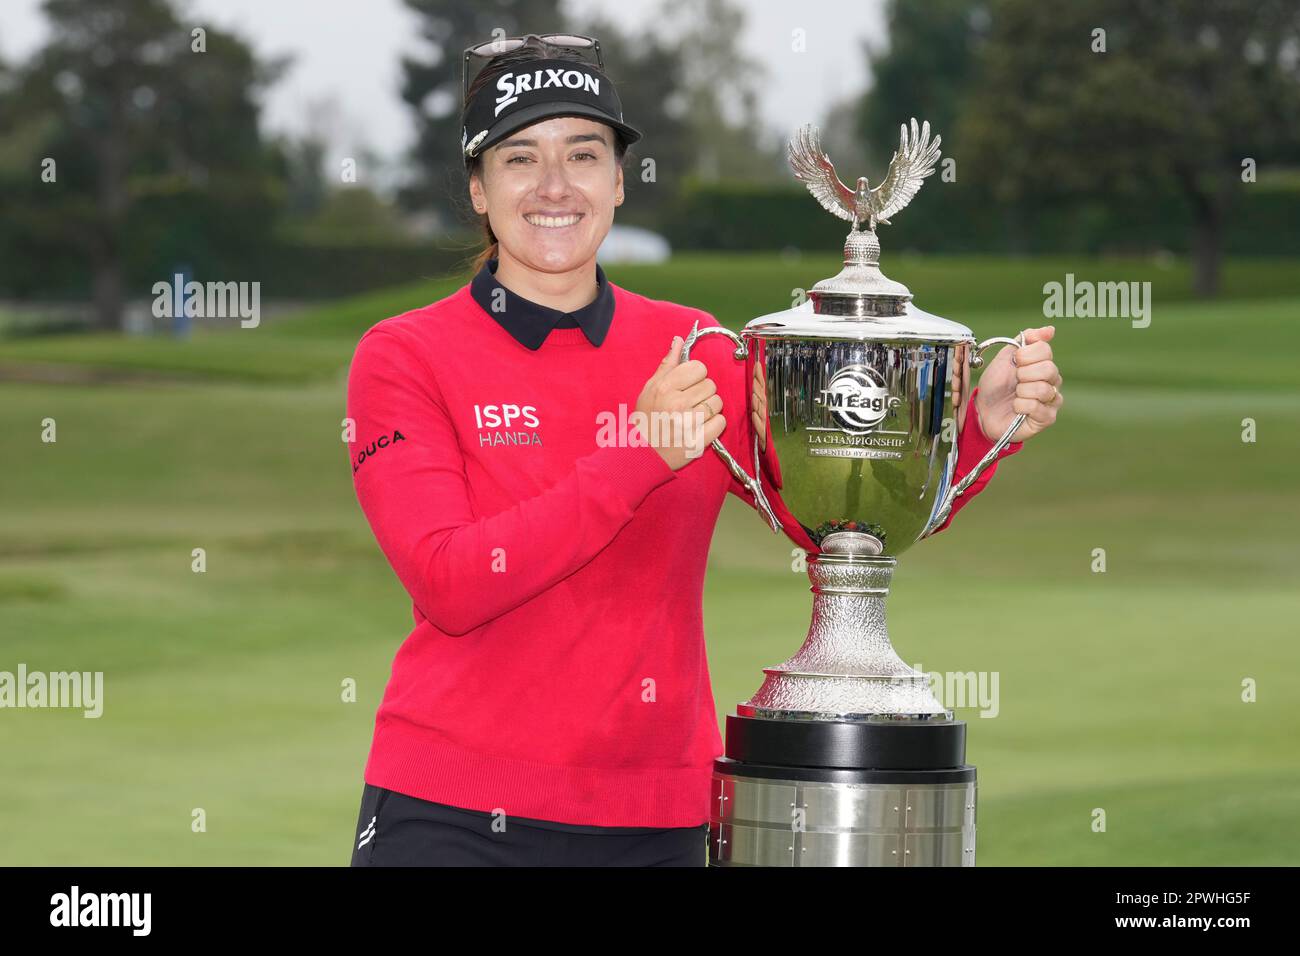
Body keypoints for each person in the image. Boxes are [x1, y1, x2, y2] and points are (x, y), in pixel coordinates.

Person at [345, 34, 1063, 867]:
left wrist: (979, 425)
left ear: (617, 180)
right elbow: (452, 583)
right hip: (452, 812)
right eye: (519, 158)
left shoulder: (695, 347)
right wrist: (640, 453)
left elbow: (833, 526)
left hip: (659, 819)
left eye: (584, 153)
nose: (554, 185)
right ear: (478, 187)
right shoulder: (405, 354)